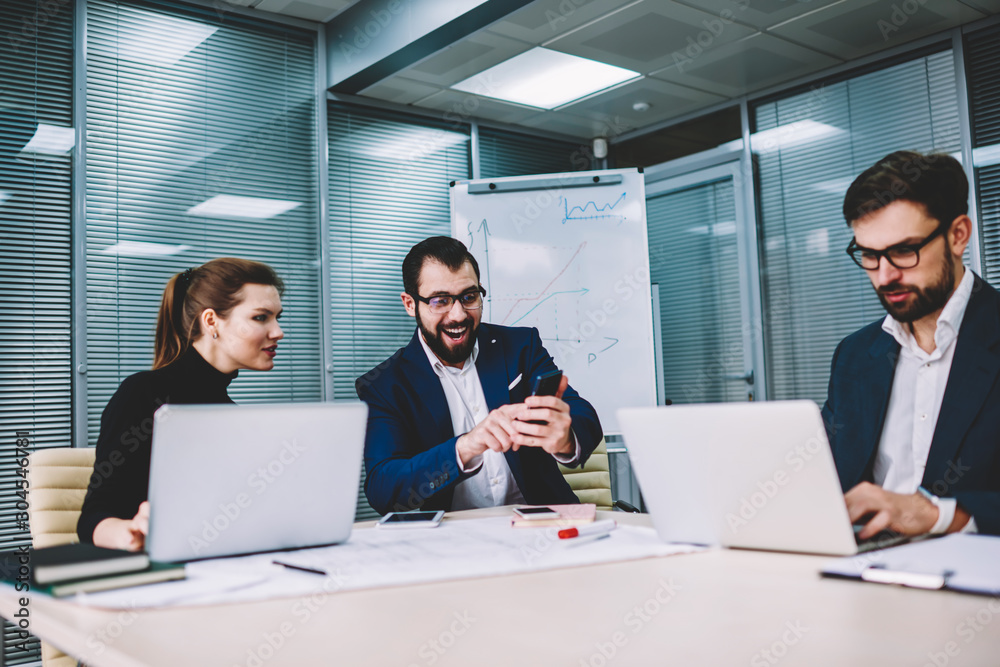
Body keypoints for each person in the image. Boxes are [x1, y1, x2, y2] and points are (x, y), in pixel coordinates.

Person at [356, 236, 603, 515]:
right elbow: (383, 487)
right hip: (451, 541)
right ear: (410, 304)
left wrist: (566, 436)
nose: (458, 315)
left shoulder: (520, 346)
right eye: (440, 301)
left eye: (469, 297)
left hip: (541, 527)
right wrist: (464, 447)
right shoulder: (385, 385)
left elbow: (582, 413)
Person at [823, 150, 1000, 538]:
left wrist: (941, 516)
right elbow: (829, 480)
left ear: (958, 235)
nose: (885, 276)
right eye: (869, 255)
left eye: (904, 250)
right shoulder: (854, 356)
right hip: (864, 565)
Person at [77, 258, 285, 550]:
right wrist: (130, 533)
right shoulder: (143, 394)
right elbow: (92, 519)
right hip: (150, 573)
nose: (278, 332)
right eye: (261, 317)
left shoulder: (228, 412)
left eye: (278, 317)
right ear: (211, 321)